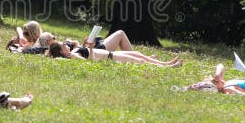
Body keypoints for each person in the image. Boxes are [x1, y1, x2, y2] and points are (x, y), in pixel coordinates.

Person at [47, 39, 183, 67]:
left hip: (111, 54)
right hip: (111, 57)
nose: (66, 44)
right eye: (63, 45)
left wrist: (86, 44)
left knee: (139, 54)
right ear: (61, 51)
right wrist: (92, 48)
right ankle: (166, 67)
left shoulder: (73, 52)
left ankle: (165, 63)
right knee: (140, 61)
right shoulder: (74, 56)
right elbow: (91, 63)